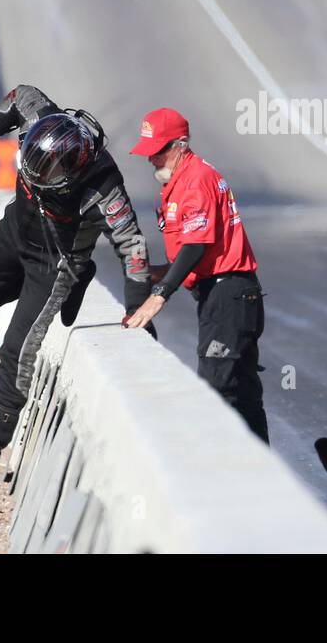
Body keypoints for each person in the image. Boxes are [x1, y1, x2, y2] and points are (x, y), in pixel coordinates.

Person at [0, 85, 152, 492]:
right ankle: (74, 280)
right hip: (15, 230)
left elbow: (133, 246)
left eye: (50, 176)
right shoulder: (37, 114)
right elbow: (16, 96)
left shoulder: (104, 186)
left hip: (55, 261)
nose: (40, 177)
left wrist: (138, 308)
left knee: (17, 348)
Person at [123, 108, 269, 443]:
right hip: (227, 294)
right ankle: (261, 470)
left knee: (217, 390)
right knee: (242, 392)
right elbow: (191, 253)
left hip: (228, 296)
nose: (151, 160)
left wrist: (159, 293)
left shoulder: (196, 179)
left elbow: (196, 247)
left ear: (180, 145)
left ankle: (229, 472)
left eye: (157, 152)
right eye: (149, 153)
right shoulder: (181, 179)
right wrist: (155, 272)